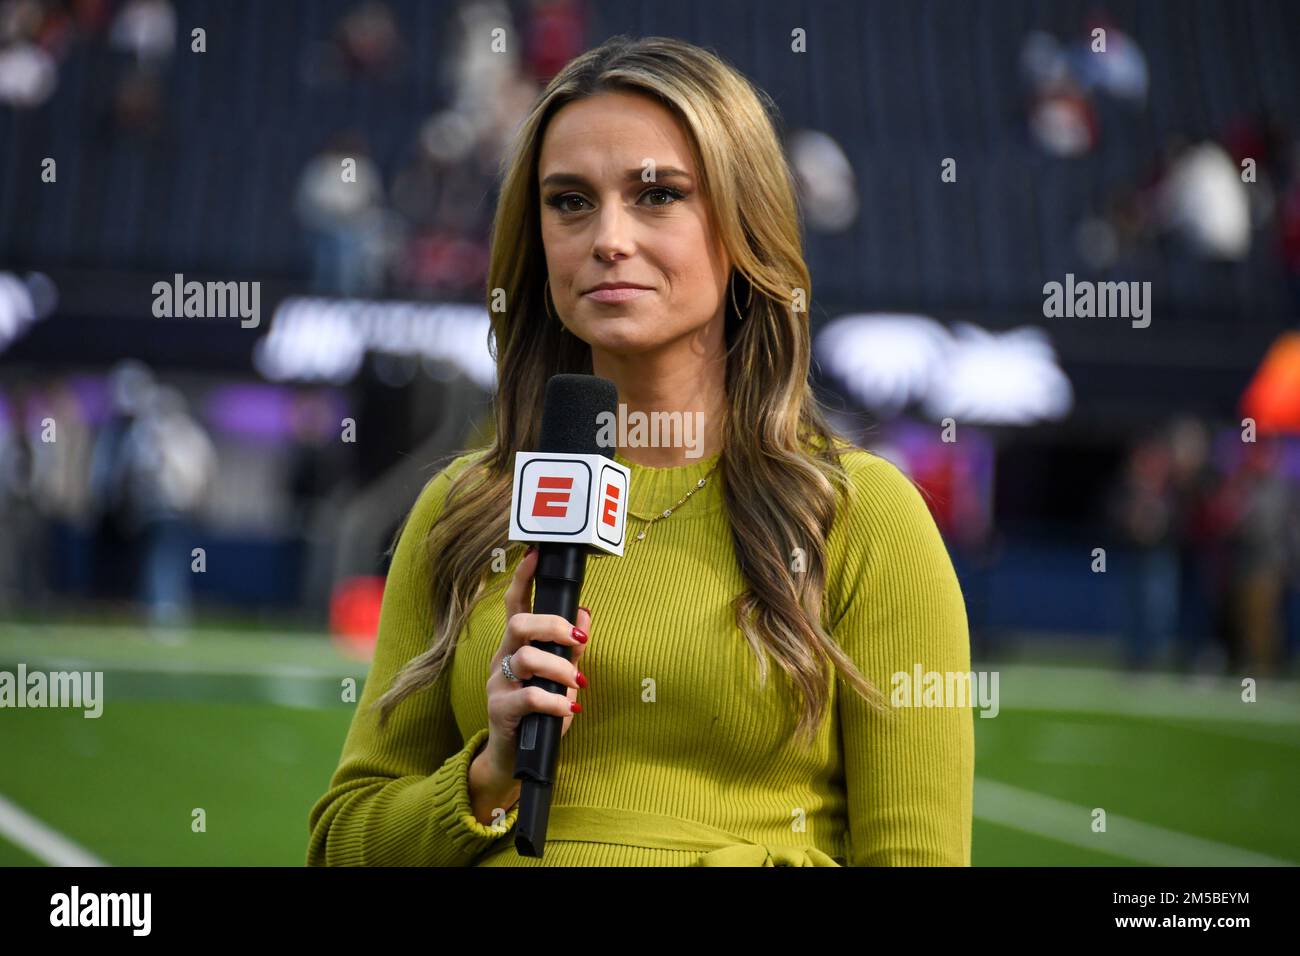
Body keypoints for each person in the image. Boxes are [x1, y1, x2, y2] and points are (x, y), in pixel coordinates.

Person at [308, 35, 973, 867]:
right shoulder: (464, 509)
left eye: (658, 195)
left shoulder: (861, 516)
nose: (608, 238)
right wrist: (485, 777)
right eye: (570, 201)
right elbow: (342, 849)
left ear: (742, 224)